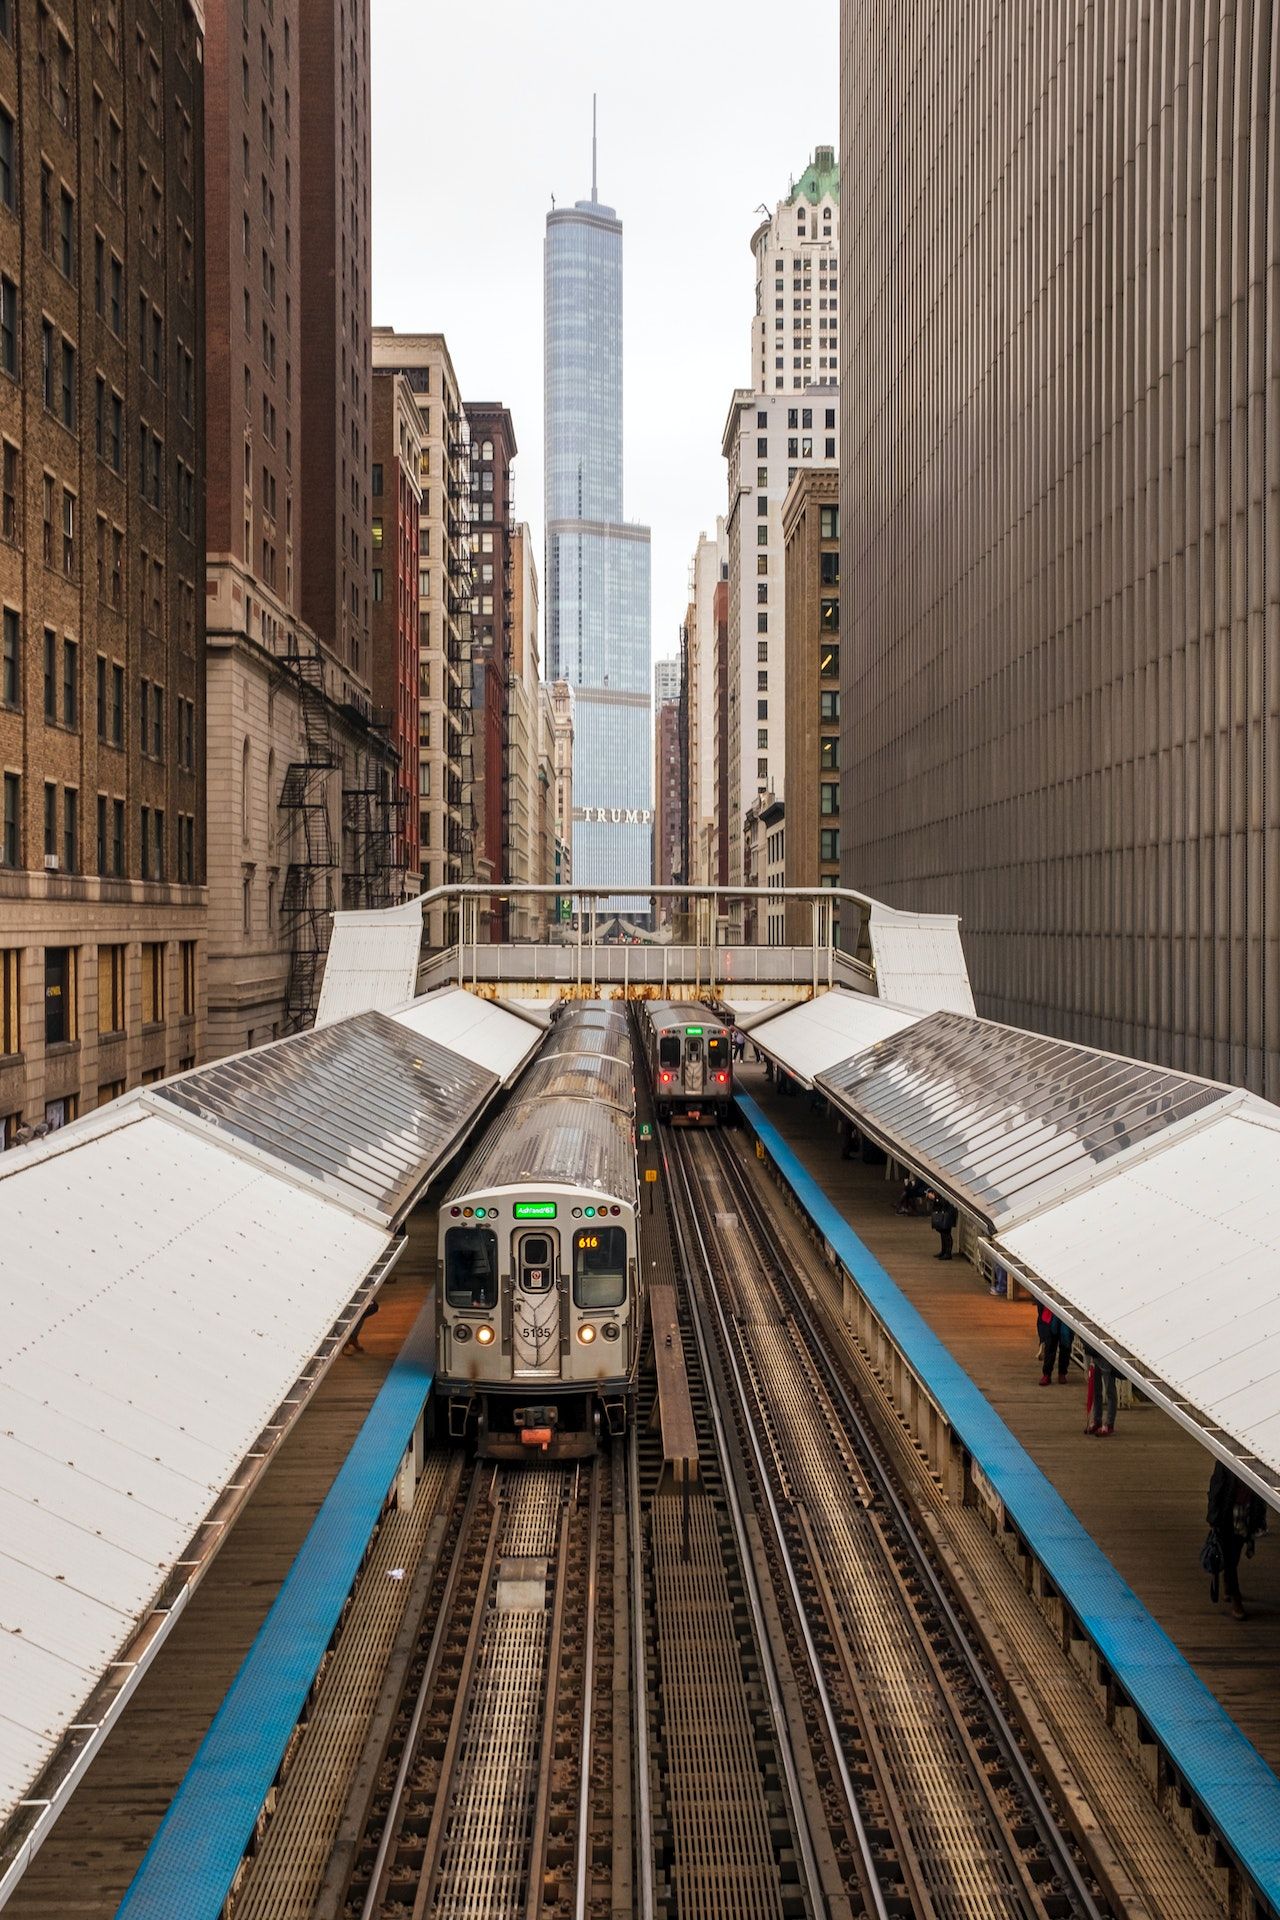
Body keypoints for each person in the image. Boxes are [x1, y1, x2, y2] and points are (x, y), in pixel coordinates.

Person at [1206, 1462, 1267, 1620]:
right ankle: (1236, 1598)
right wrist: (1213, 1517)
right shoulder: (1225, 1463)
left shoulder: (1257, 1466)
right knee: (1230, 1560)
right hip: (1228, 1517)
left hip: (1245, 1516)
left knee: (1234, 1555)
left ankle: (1228, 1586)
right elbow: (1216, 1488)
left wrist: (1259, 1520)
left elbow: (1260, 1498)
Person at [1082, 1343, 1118, 1435]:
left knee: (1110, 1391)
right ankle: (1097, 1420)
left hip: (1106, 1356)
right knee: (1096, 1390)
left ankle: (1109, 1424)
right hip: (1095, 1356)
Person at [1037, 1306, 1074, 1385]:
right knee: (1050, 1345)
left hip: (1067, 1313)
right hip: (1050, 1313)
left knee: (1065, 1345)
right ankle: (1047, 1374)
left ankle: (1062, 1373)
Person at [928, 1192, 958, 1259]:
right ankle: (944, 1251)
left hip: (947, 1213)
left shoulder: (947, 1193)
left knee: (946, 1233)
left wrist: (935, 1198)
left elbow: (944, 1202)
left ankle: (948, 1253)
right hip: (946, 1212)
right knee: (943, 1232)